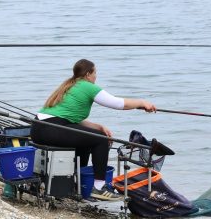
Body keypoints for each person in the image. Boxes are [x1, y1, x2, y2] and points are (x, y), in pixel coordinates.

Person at [31, 59, 156, 201]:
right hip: (51, 128)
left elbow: (69, 117)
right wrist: (142, 102)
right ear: (88, 74)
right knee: (102, 139)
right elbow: (117, 103)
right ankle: (99, 187)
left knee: (87, 140)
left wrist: (98, 127)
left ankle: (75, 186)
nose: (96, 76)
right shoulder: (87, 86)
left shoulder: (71, 85)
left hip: (39, 128)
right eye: (95, 72)